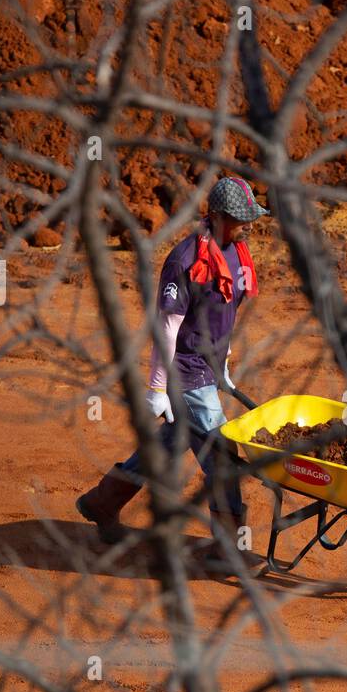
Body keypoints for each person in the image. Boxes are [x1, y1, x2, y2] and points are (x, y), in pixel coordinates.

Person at [76, 176, 270, 569]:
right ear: (216, 217)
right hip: (186, 373)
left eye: (250, 218)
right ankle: (229, 549)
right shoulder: (185, 262)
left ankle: (102, 501)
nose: (247, 225)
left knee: (167, 445)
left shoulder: (236, 251)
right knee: (221, 455)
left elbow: (224, 314)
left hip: (207, 369)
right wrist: (158, 388)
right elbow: (167, 328)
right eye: (239, 218)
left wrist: (225, 363)